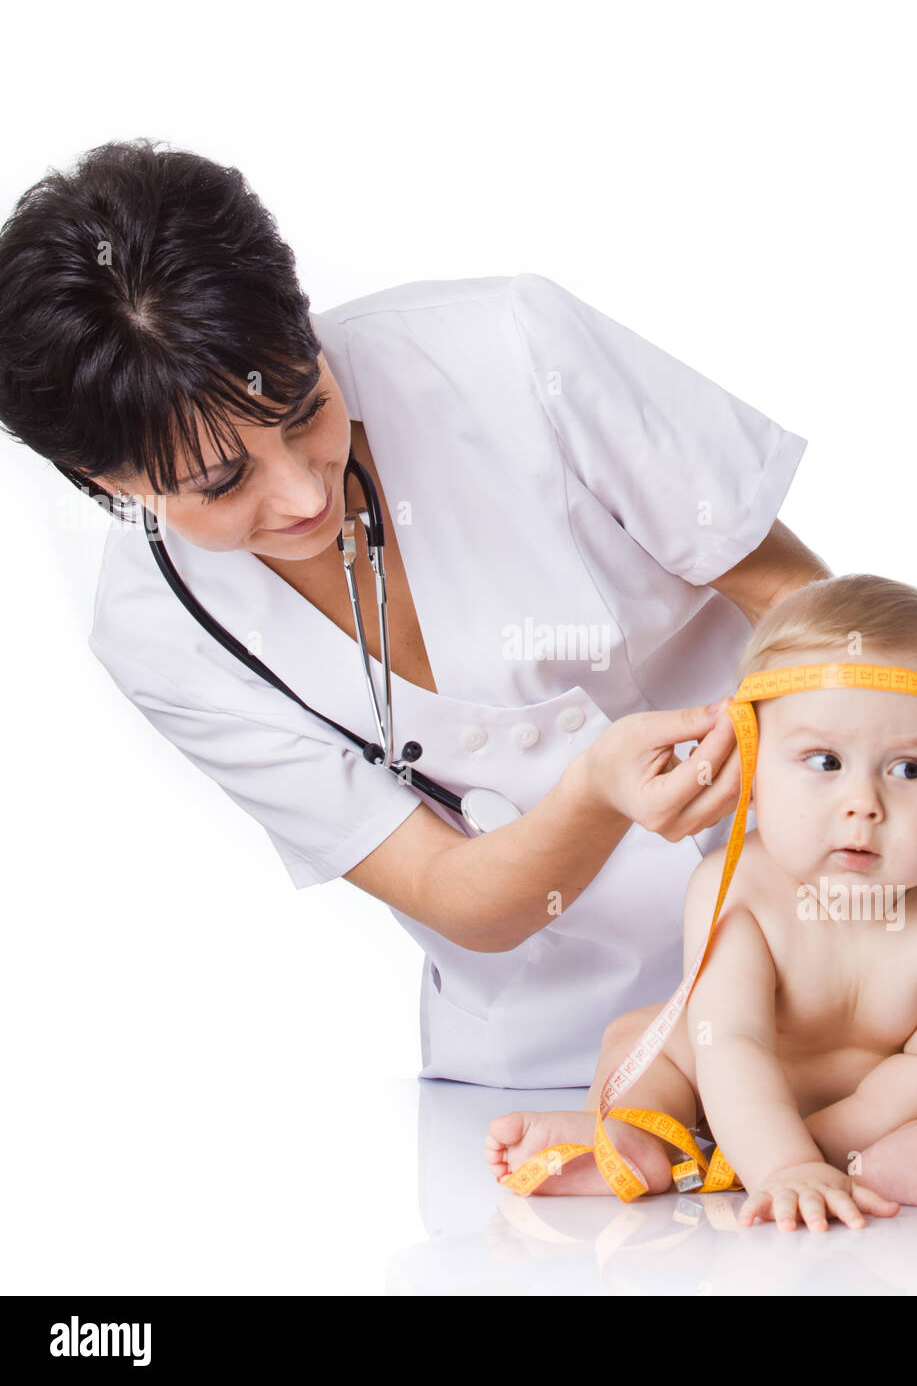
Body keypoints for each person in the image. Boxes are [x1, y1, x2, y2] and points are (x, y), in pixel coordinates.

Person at [0, 139, 831, 1088]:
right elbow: (451, 893)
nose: (302, 496)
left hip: (825, 959)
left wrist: (888, 845)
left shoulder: (511, 349)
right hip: (548, 1059)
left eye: (306, 408)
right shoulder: (159, 635)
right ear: (108, 482)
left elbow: (802, 604)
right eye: (222, 483)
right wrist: (596, 794)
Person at [485, 576, 917, 1227]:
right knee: (646, 1040)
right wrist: (780, 1163)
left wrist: (818, 1152)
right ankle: (644, 1132)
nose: (862, 803)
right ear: (752, 769)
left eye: (909, 769)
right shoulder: (737, 886)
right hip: (735, 1087)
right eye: (824, 762)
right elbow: (733, 1044)